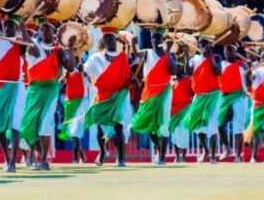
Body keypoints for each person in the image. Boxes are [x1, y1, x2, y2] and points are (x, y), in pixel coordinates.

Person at [21, 22, 74, 171]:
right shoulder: (34, 46)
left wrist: (69, 48)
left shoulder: (59, 50)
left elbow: (70, 67)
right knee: (29, 126)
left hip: (51, 89)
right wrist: (20, 21)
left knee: (45, 124)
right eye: (41, 28)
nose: (44, 31)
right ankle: (39, 155)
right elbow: (25, 38)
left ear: (54, 32)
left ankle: (44, 160)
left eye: (47, 28)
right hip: (34, 89)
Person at [83, 30, 135, 168]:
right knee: (100, 125)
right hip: (103, 96)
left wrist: (132, 80)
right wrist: (96, 80)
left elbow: (129, 75)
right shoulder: (96, 58)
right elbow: (86, 70)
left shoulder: (123, 57)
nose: (109, 41)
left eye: (111, 38)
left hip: (119, 96)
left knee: (118, 126)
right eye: (106, 39)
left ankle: (121, 158)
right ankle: (102, 151)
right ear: (103, 41)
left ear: (116, 40)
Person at [0, 19, 29, 172]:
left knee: (15, 125)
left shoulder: (19, 42)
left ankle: (13, 162)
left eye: (12, 26)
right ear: (2, 27)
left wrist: (23, 27)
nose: (9, 28)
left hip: (16, 86)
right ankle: (7, 158)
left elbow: (27, 46)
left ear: (16, 28)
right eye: (6, 25)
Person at [131, 34, 177, 165]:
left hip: (164, 92)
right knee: (147, 124)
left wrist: (167, 51)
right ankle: (160, 147)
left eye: (158, 39)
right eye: (153, 39)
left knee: (163, 125)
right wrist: (133, 44)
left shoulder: (170, 54)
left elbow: (173, 70)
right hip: (148, 93)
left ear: (163, 41)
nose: (155, 41)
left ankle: (162, 157)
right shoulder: (147, 53)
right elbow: (137, 55)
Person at [183, 41, 221, 164]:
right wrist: (185, 56)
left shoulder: (216, 58)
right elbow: (188, 73)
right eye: (203, 46)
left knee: (212, 125)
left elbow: (218, 72)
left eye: (207, 46)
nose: (205, 48)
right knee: (197, 126)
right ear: (199, 47)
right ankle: (206, 150)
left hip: (213, 96)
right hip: (198, 97)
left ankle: (213, 157)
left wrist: (210, 58)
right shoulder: (194, 59)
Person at [217, 46, 249, 162]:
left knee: (238, 127)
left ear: (236, 52)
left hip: (239, 96)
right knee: (219, 124)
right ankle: (227, 148)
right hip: (224, 97)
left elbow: (249, 82)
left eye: (231, 50)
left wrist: (249, 74)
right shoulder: (220, 64)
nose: (228, 52)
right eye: (226, 50)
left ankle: (238, 155)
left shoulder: (243, 64)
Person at [58, 60, 90, 164]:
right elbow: (60, 82)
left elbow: (90, 79)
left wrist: (83, 71)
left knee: (75, 130)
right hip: (69, 104)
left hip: (81, 103)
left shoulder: (84, 68)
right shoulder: (67, 71)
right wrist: (65, 75)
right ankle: (82, 156)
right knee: (73, 131)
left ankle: (75, 158)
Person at [168, 47, 195, 164]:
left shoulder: (188, 79)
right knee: (174, 134)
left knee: (183, 133)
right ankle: (176, 155)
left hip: (184, 109)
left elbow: (193, 92)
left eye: (179, 65)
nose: (177, 67)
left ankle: (183, 156)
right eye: (176, 65)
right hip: (172, 111)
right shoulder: (171, 80)